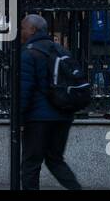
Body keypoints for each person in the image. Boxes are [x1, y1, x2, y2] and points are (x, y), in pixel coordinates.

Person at [18, 14, 82, 191]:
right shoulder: (60, 50)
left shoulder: (29, 52)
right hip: (63, 115)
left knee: (31, 164)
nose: (21, 31)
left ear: (32, 30)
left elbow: (25, 89)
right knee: (55, 160)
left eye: (23, 28)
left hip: (38, 118)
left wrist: (20, 119)